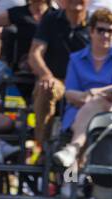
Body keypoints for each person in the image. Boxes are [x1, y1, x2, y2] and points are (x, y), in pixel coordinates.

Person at [52, 8, 112, 170]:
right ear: (91, 31)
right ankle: (75, 176)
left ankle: (72, 171)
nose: (106, 35)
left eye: (111, 31)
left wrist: (94, 93)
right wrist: (86, 96)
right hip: (78, 110)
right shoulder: (76, 59)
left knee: (96, 106)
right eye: (101, 30)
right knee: (87, 119)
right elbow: (69, 93)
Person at [29, 0, 89, 146]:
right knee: (46, 87)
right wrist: (46, 75)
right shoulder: (50, 19)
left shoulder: (95, 24)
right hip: (58, 81)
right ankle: (43, 147)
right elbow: (35, 53)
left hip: (85, 85)